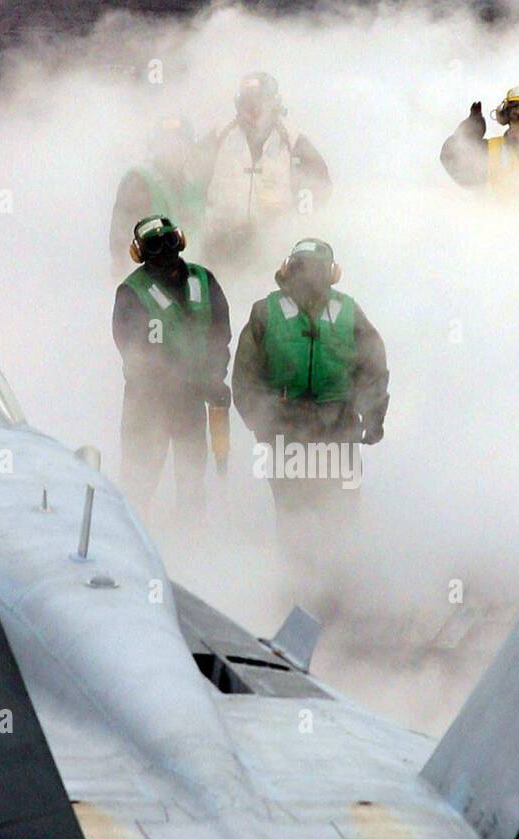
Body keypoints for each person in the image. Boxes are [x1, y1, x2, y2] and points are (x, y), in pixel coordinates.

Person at [232, 238, 388, 545]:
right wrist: (261, 421)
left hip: (338, 429)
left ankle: (337, 581)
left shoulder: (348, 311)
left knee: (341, 514)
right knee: (293, 516)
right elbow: (246, 377)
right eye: (305, 268)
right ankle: (298, 583)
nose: (310, 277)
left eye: (316, 269)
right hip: (285, 430)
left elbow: (372, 366)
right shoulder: (265, 313)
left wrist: (374, 416)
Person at [112, 215, 233, 515]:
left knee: (192, 483)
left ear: (179, 241)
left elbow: (221, 334)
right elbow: (133, 352)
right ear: (140, 254)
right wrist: (187, 382)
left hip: (190, 405)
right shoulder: (131, 292)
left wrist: (215, 379)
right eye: (154, 247)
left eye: (168, 242)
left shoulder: (204, 280)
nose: (164, 252)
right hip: (147, 407)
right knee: (138, 485)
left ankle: (189, 547)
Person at [201, 73, 331, 262]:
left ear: (274, 104)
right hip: (219, 246)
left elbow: (321, 187)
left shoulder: (293, 141)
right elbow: (191, 179)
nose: (254, 111)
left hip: (273, 250)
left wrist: (292, 223)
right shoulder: (220, 137)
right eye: (248, 104)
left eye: (259, 103)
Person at [109, 116, 207, 277]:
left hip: (189, 276)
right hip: (151, 281)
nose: (174, 149)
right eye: (166, 143)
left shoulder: (193, 183)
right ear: (154, 147)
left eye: (180, 142)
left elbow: (203, 231)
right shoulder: (139, 180)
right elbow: (120, 241)